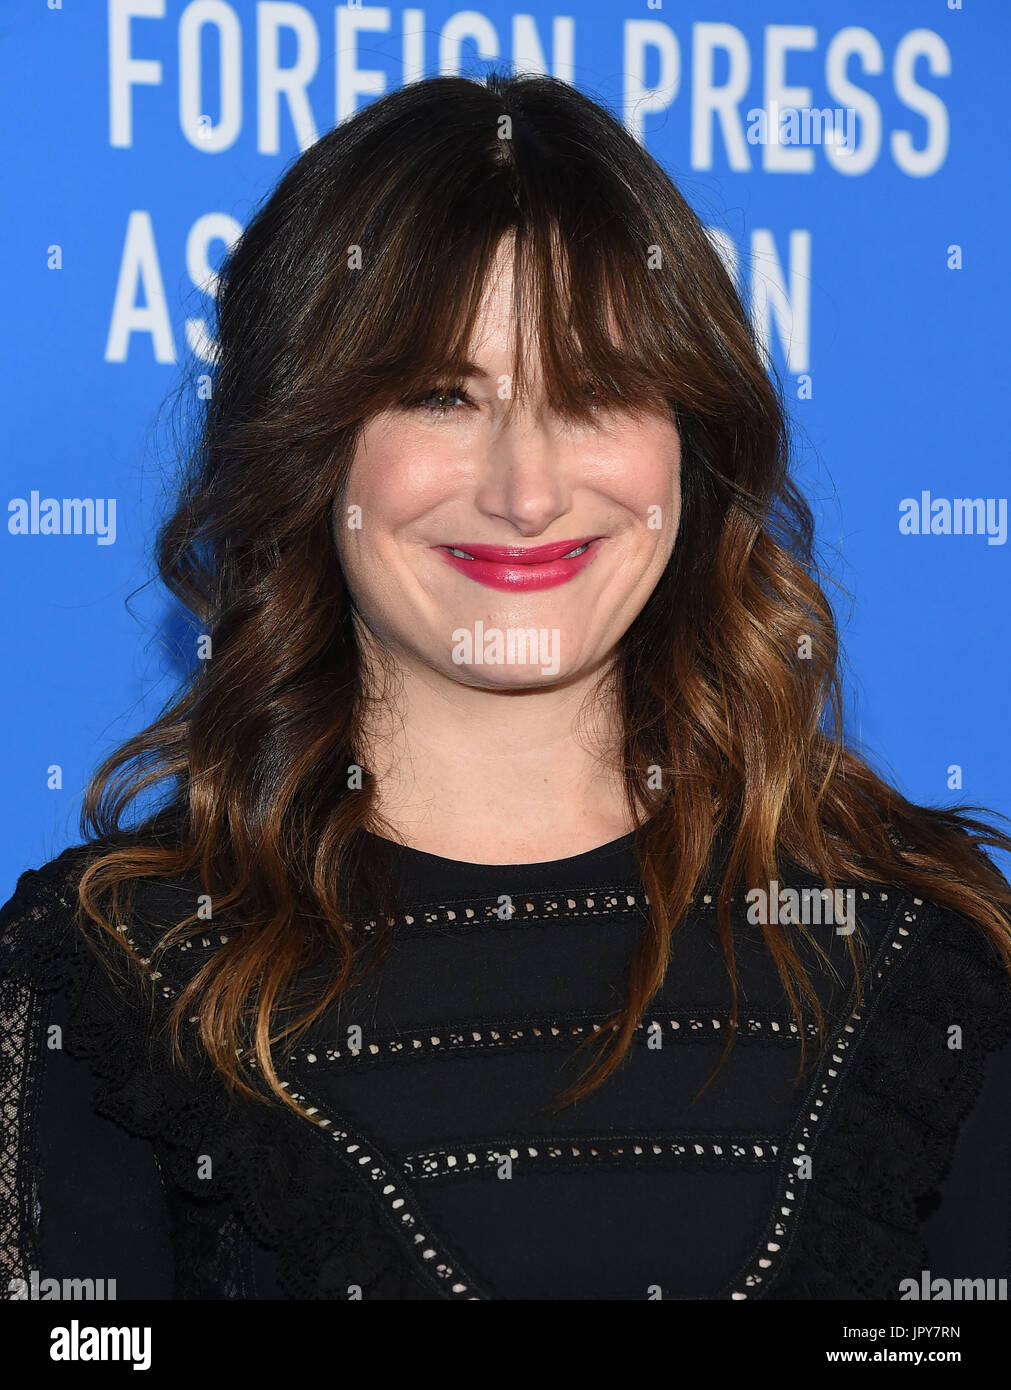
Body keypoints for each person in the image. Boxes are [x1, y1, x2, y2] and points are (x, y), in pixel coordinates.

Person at [2, 71, 1010, 1303]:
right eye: (441, 396)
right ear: (307, 445)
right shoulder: (111, 975)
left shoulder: (919, 956)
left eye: (591, 394)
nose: (525, 492)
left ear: (690, 442)